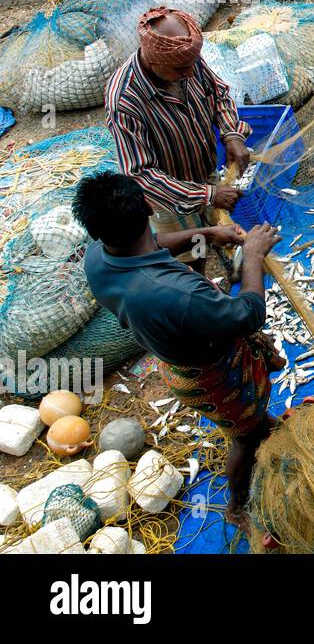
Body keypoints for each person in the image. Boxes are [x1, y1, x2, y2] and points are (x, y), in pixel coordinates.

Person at [75, 172, 284, 525]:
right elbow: (250, 314)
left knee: (250, 423)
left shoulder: (98, 256)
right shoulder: (175, 293)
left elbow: (154, 242)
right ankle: (236, 506)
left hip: (175, 358)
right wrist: (252, 256)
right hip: (212, 373)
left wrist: (206, 233)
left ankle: (255, 423)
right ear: (149, 207)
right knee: (244, 440)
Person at [104, 6, 251, 270]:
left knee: (217, 230)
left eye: (193, 64)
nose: (190, 74)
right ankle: (199, 281)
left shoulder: (185, 61)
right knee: (190, 256)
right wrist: (208, 195)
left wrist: (231, 134)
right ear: (153, 60)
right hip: (168, 199)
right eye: (181, 70)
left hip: (204, 174)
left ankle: (228, 267)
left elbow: (218, 93)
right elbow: (140, 174)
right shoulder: (125, 100)